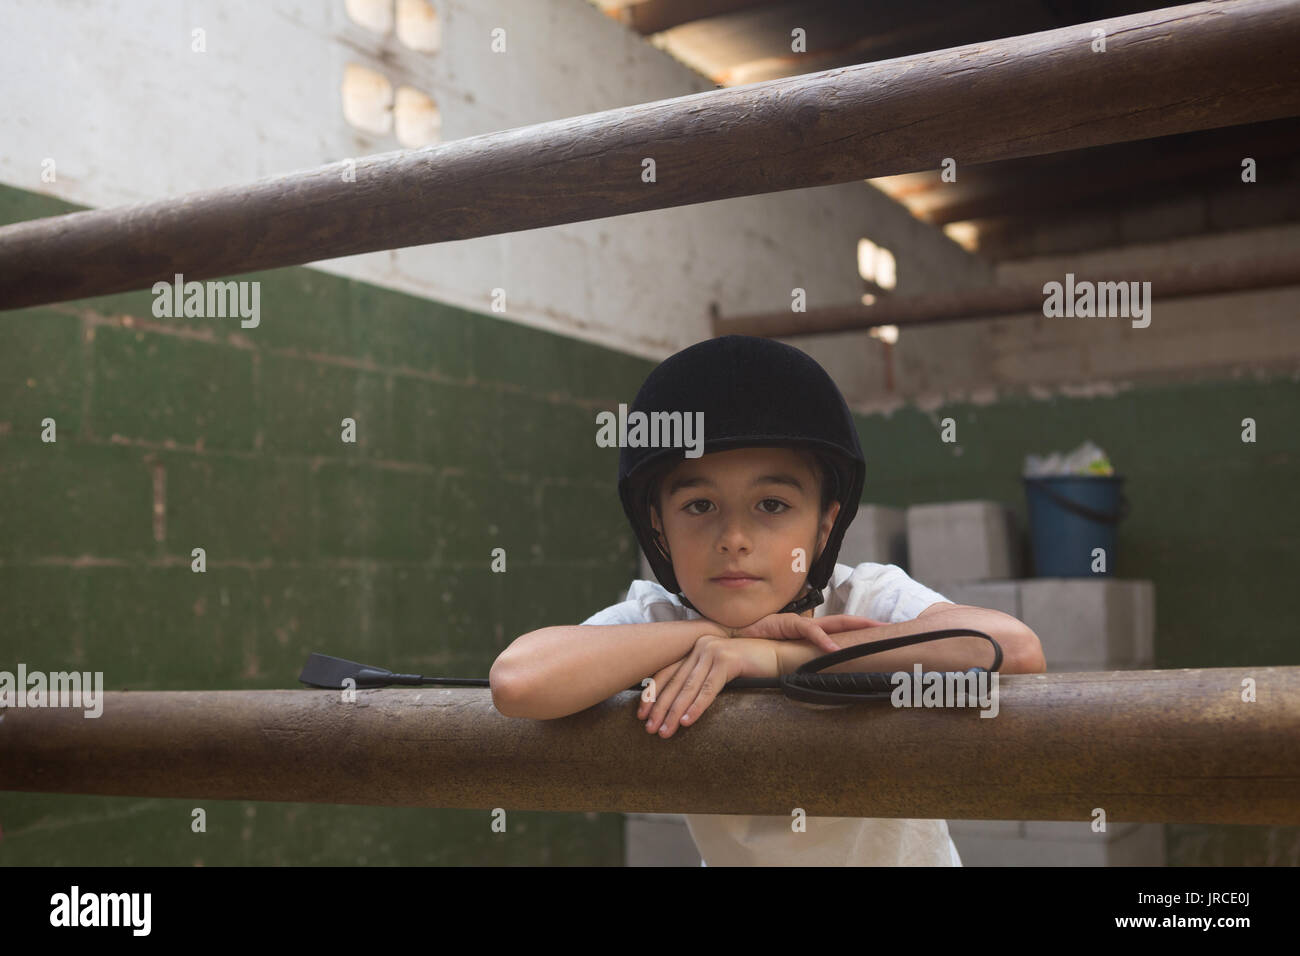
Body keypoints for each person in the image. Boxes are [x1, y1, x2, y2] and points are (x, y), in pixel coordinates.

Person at [490, 335, 1046, 866]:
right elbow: (519, 680)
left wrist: (783, 659)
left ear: (825, 526)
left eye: (773, 505)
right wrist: (717, 637)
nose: (735, 538)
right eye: (700, 506)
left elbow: (1010, 649)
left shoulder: (865, 596)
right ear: (658, 527)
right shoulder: (663, 618)